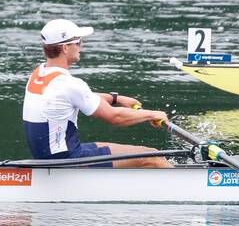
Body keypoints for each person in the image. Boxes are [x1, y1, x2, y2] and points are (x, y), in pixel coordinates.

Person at [23, 19, 171, 168]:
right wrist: (152, 114)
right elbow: (115, 117)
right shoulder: (69, 84)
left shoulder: (38, 75)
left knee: (142, 153)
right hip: (67, 159)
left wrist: (116, 98)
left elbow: (83, 97)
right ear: (65, 48)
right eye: (78, 42)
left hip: (53, 154)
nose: (82, 46)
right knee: (153, 157)